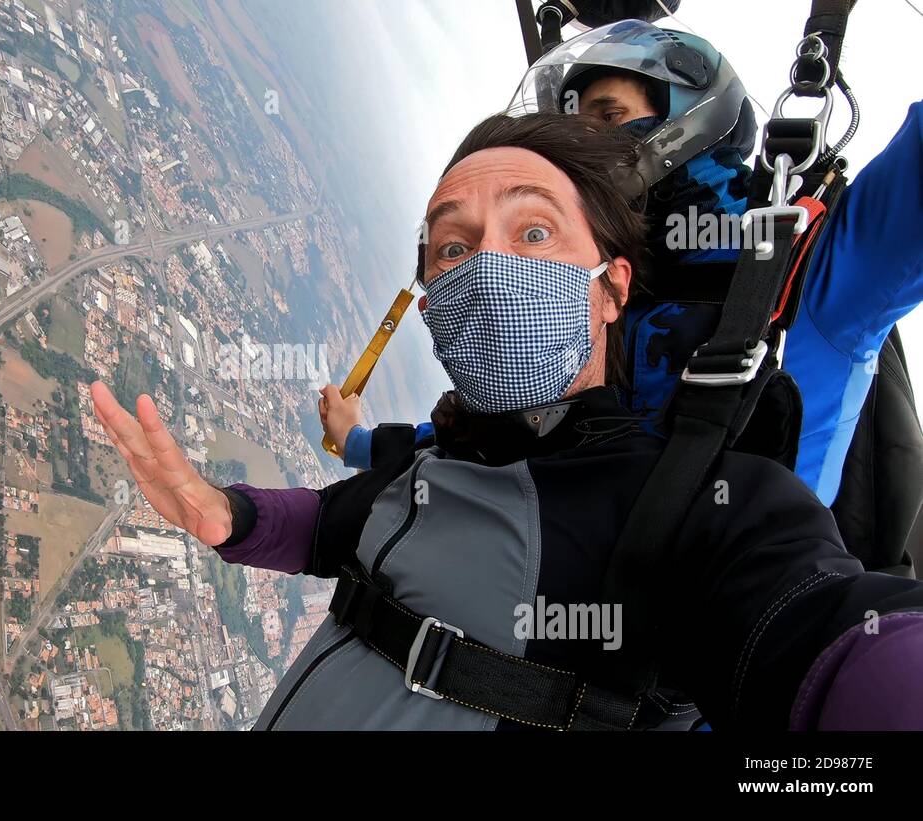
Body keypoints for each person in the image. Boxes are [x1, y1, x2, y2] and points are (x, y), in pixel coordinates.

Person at [92, 112, 923, 730]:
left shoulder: (696, 511)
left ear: (611, 287)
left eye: (532, 229)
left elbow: (835, 648)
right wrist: (225, 513)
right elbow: (325, 527)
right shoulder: (432, 469)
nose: (487, 263)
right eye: (452, 248)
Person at [324, 22, 923, 574]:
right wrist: (357, 441)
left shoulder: (806, 265)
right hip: (562, 601)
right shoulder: (585, 286)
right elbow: (510, 429)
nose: (589, 141)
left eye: (610, 116)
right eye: (578, 126)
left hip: (735, 630)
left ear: (690, 121)